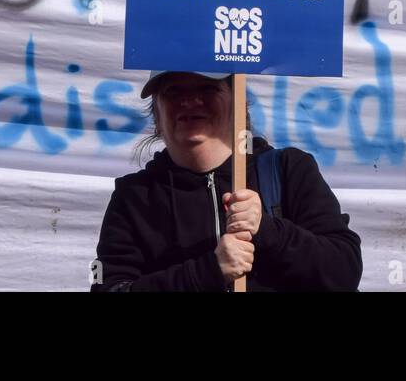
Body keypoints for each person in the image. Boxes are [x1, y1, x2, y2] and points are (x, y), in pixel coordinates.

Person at [90, 69, 362, 291]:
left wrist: (269, 231)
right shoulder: (134, 197)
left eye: (208, 87)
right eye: (173, 91)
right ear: (156, 115)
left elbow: (344, 271)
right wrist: (208, 272)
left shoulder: (289, 169)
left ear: (238, 102)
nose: (190, 101)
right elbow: (107, 287)